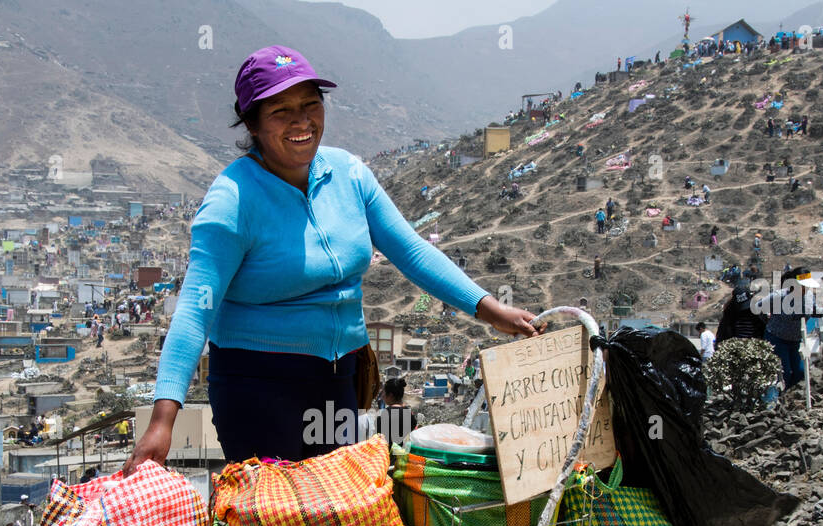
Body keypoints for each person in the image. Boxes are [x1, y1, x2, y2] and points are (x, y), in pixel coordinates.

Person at [124, 46, 539, 470]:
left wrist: (489, 309)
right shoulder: (232, 200)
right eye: (281, 111)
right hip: (259, 389)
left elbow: (412, 251)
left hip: (338, 381)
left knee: (337, 514)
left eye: (310, 104)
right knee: (276, 519)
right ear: (251, 121)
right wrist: (162, 420)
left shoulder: (349, 174)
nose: (302, 121)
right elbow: (196, 309)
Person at [373, 377, 416, 447]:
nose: (382, 396)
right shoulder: (410, 415)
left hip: (387, 455)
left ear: (390, 396)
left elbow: (377, 439)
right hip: (403, 455)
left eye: (383, 392)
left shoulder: (384, 415)